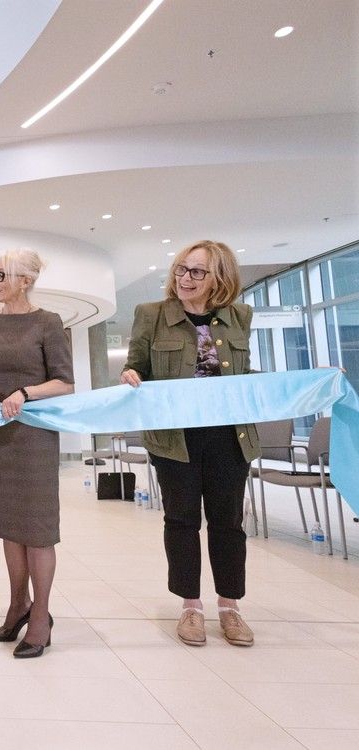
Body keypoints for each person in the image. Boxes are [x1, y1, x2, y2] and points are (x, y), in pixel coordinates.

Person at [121, 240, 260, 647]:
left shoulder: (240, 315)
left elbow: (244, 372)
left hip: (229, 435)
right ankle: (191, 607)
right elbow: (136, 364)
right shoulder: (151, 315)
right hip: (174, 436)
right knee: (181, 519)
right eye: (181, 269)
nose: (184, 278)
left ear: (219, 277)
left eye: (196, 272)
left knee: (228, 522)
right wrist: (131, 374)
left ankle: (230, 607)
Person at [0, 251, 74, 658]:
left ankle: (42, 616)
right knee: (9, 527)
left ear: (25, 280)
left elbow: (65, 382)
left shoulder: (48, 322)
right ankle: (17, 605)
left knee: (37, 530)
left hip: (34, 436)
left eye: (1, 274)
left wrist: (24, 394)